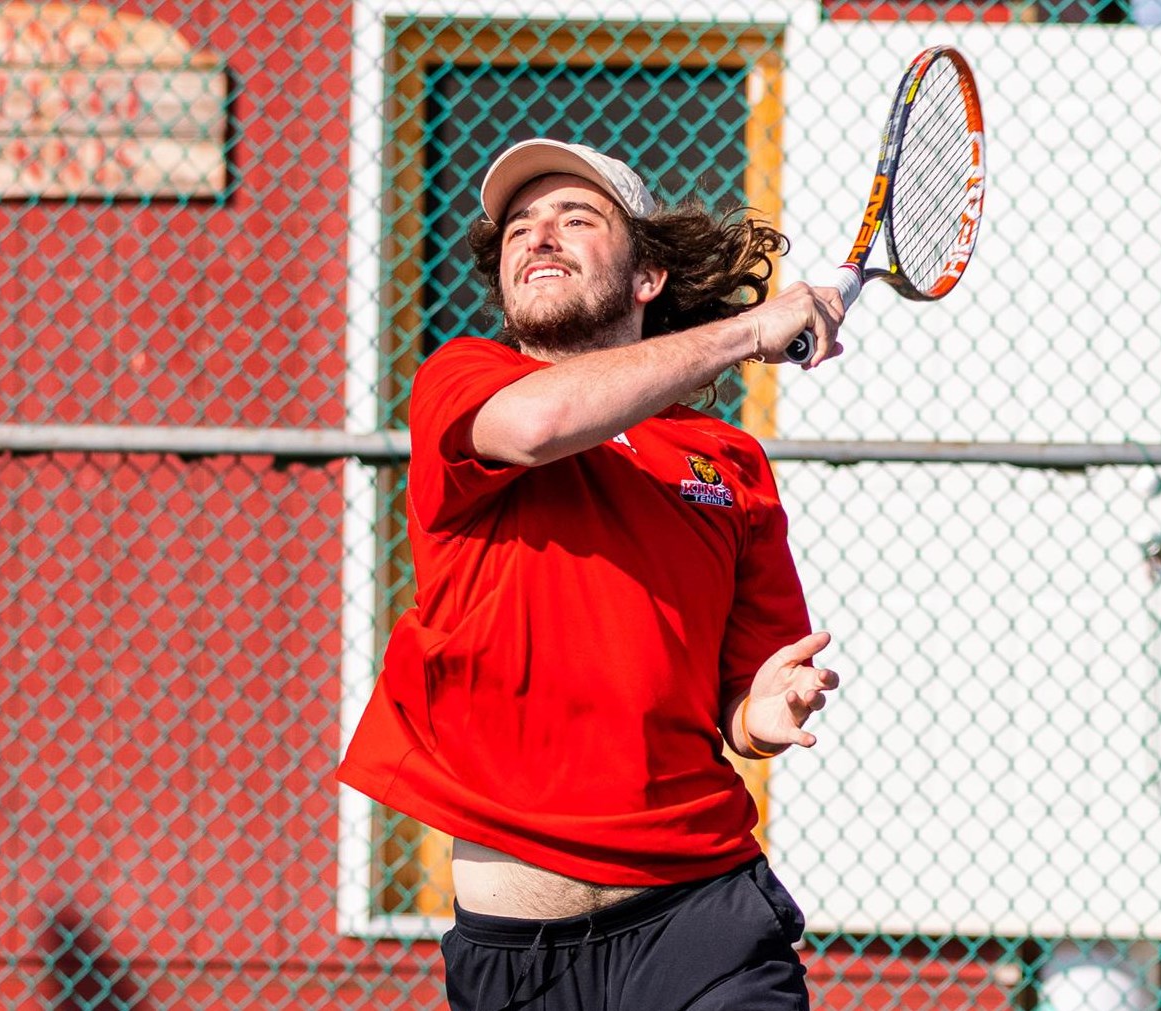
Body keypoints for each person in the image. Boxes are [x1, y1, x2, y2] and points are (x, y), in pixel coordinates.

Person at [338, 137, 845, 1011]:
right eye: (519, 228)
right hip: (520, 956)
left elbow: (744, 700)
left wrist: (765, 712)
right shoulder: (464, 383)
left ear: (646, 276)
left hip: (705, 919)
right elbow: (540, 424)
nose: (539, 236)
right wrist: (744, 333)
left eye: (577, 219)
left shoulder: (729, 461)